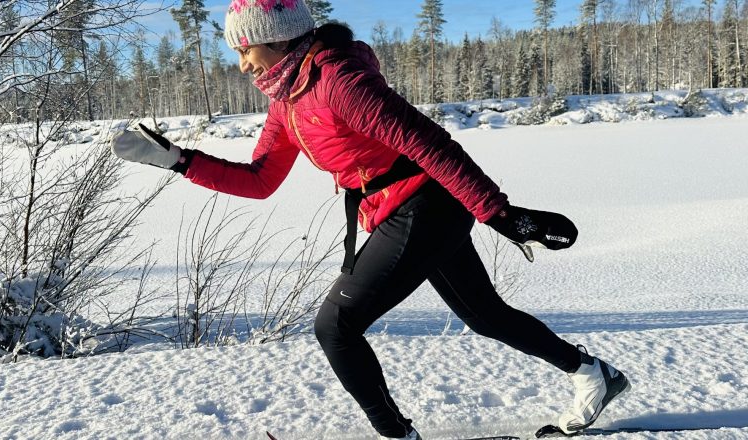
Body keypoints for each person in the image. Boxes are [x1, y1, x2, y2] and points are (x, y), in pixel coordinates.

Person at [111, 1, 630, 438]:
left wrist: (499, 213)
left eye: (244, 49)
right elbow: (260, 181)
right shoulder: (288, 99)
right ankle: (593, 374)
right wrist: (178, 159)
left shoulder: (339, 81)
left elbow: (429, 144)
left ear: (275, 39)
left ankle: (397, 435)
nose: (243, 64)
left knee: (336, 325)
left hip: (425, 205)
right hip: (400, 210)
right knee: (485, 316)